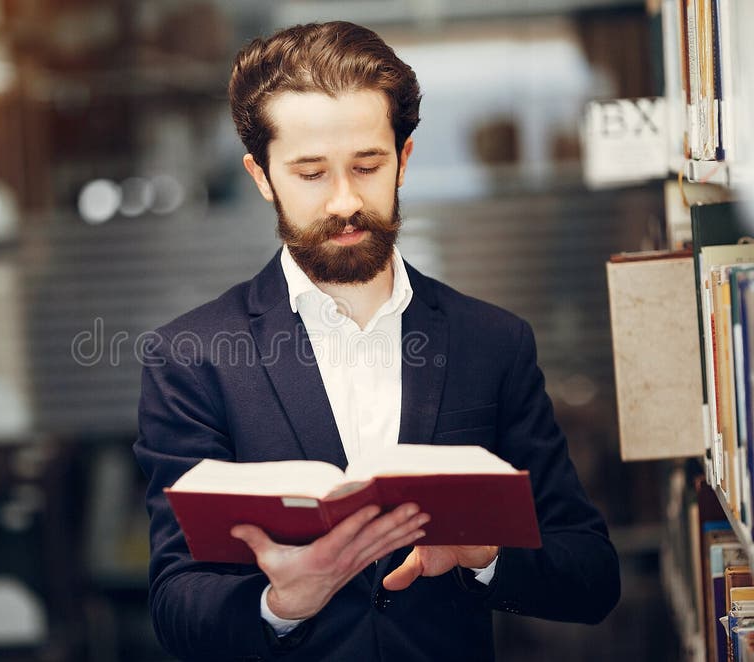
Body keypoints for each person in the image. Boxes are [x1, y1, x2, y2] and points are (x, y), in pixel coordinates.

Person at [133, 20, 620, 661]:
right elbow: (176, 605)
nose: (344, 201)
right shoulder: (192, 360)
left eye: (366, 166)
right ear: (262, 176)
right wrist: (279, 604)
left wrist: (487, 560)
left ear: (403, 160)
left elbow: (591, 575)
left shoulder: (492, 343)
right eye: (310, 173)